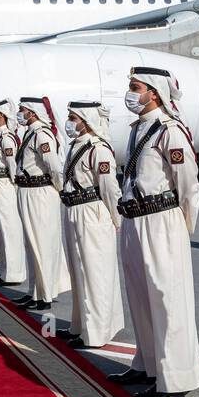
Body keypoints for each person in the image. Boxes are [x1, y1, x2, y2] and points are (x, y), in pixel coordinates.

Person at [108, 67, 199, 397]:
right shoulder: (138, 129)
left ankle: (176, 377)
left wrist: (181, 226)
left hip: (161, 221)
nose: (130, 93)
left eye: (135, 87)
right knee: (140, 295)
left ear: (154, 93)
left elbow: (188, 184)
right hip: (135, 220)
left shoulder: (170, 130)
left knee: (167, 300)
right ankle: (147, 363)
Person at [60, 100, 123, 349]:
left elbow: (109, 189)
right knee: (79, 272)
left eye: (73, 118)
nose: (69, 122)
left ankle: (96, 332)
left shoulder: (99, 149)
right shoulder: (77, 146)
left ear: (86, 120)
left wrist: (115, 219)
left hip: (92, 212)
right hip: (74, 210)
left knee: (94, 274)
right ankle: (81, 326)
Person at [13, 97, 69, 310]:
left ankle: (45, 295)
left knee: (42, 243)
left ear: (33, 112)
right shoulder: (31, 132)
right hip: (28, 191)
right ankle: (35, 292)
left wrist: (59, 188)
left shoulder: (42, 134)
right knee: (32, 244)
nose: (20, 113)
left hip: (40, 193)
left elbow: (53, 166)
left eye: (22, 110)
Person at [0, 99, 27, 287]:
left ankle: (14, 273)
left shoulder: (7, 138)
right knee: (0, 229)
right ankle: (2, 269)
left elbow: (12, 165)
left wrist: (14, 187)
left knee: (9, 229)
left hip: (5, 185)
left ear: (1, 115)